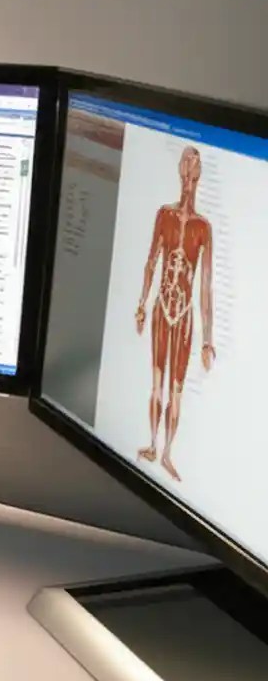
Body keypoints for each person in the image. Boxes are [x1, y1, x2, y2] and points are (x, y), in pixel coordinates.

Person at [135, 145, 216, 482]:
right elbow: (152, 260)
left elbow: (205, 286)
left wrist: (208, 340)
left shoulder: (203, 227)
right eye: (185, 171)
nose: (187, 180)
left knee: (176, 388)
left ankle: (167, 452)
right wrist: (142, 304)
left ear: (198, 177)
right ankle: (153, 445)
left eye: (193, 173)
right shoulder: (164, 215)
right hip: (161, 309)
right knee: (156, 383)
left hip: (183, 315)